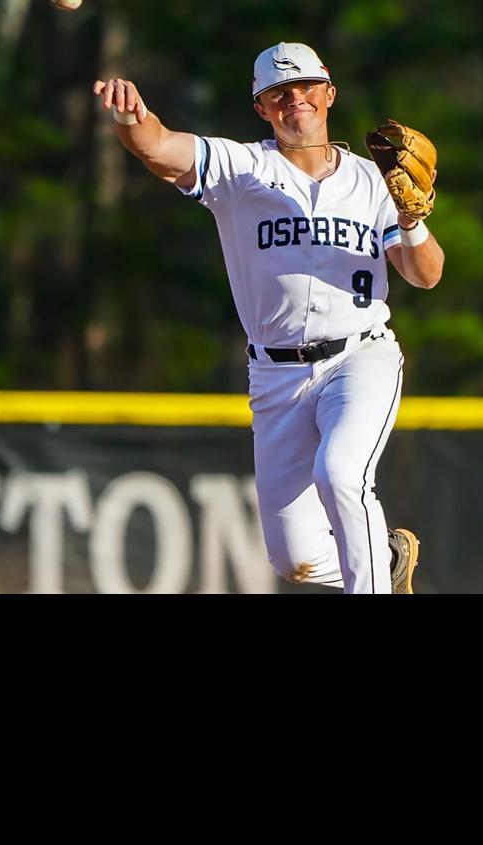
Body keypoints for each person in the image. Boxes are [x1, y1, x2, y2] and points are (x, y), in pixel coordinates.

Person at [93, 42, 445, 594]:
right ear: (262, 108)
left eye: (305, 87)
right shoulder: (242, 168)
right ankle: (386, 557)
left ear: (329, 94)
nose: (294, 100)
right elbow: (159, 148)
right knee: (295, 557)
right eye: (279, 93)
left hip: (359, 357)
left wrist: (412, 217)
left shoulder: (372, 180)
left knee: (341, 475)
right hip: (277, 375)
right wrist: (130, 120)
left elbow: (424, 274)